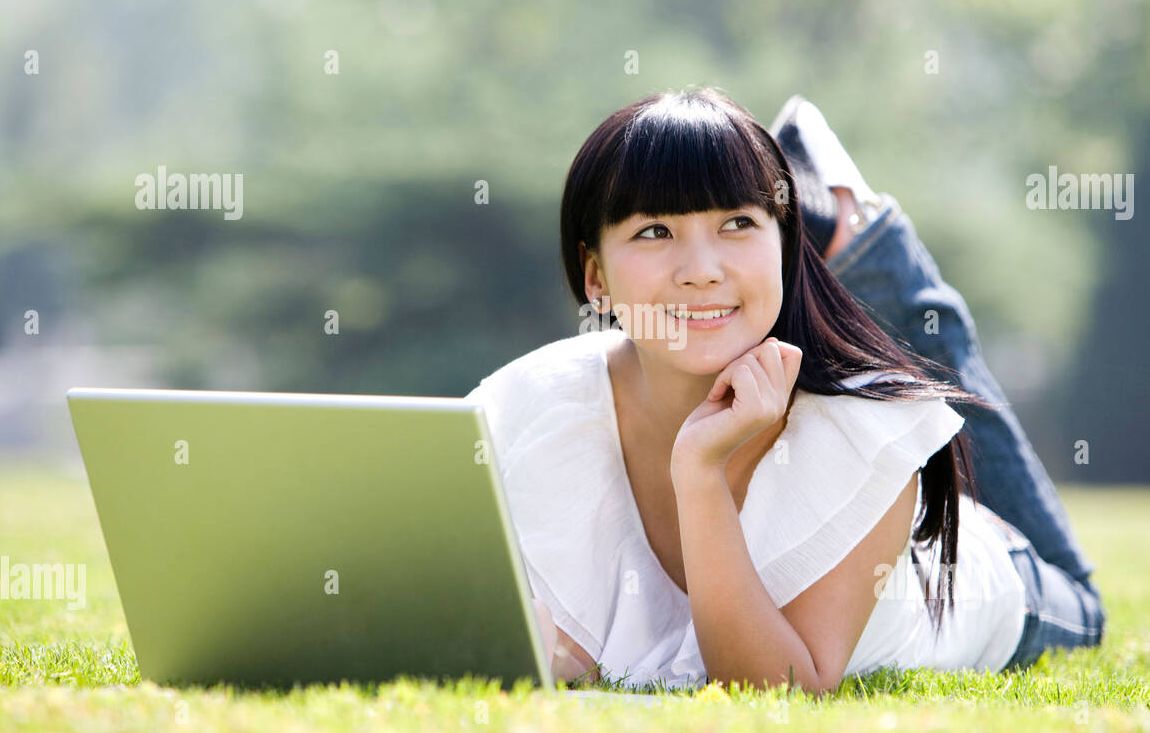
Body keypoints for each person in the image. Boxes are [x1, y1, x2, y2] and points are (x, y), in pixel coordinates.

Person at [467, 87, 1105, 693]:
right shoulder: (539, 401)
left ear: (783, 247)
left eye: (738, 223)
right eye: (654, 232)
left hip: (980, 572)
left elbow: (780, 687)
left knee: (1080, 597)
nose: (701, 271)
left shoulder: (861, 424)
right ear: (594, 276)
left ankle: (870, 242)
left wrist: (700, 472)